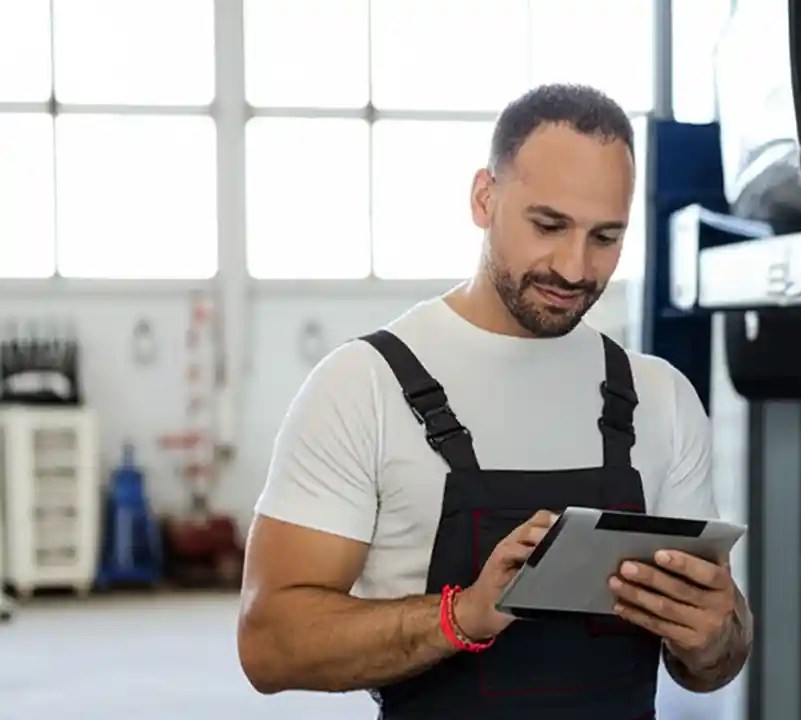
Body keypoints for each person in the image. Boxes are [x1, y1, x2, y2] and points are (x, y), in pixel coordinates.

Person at [236, 83, 753, 719]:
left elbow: (714, 662)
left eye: (605, 237)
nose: (573, 267)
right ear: (485, 197)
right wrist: (464, 615)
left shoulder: (660, 398)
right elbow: (270, 644)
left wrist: (712, 636)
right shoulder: (363, 386)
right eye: (548, 225)